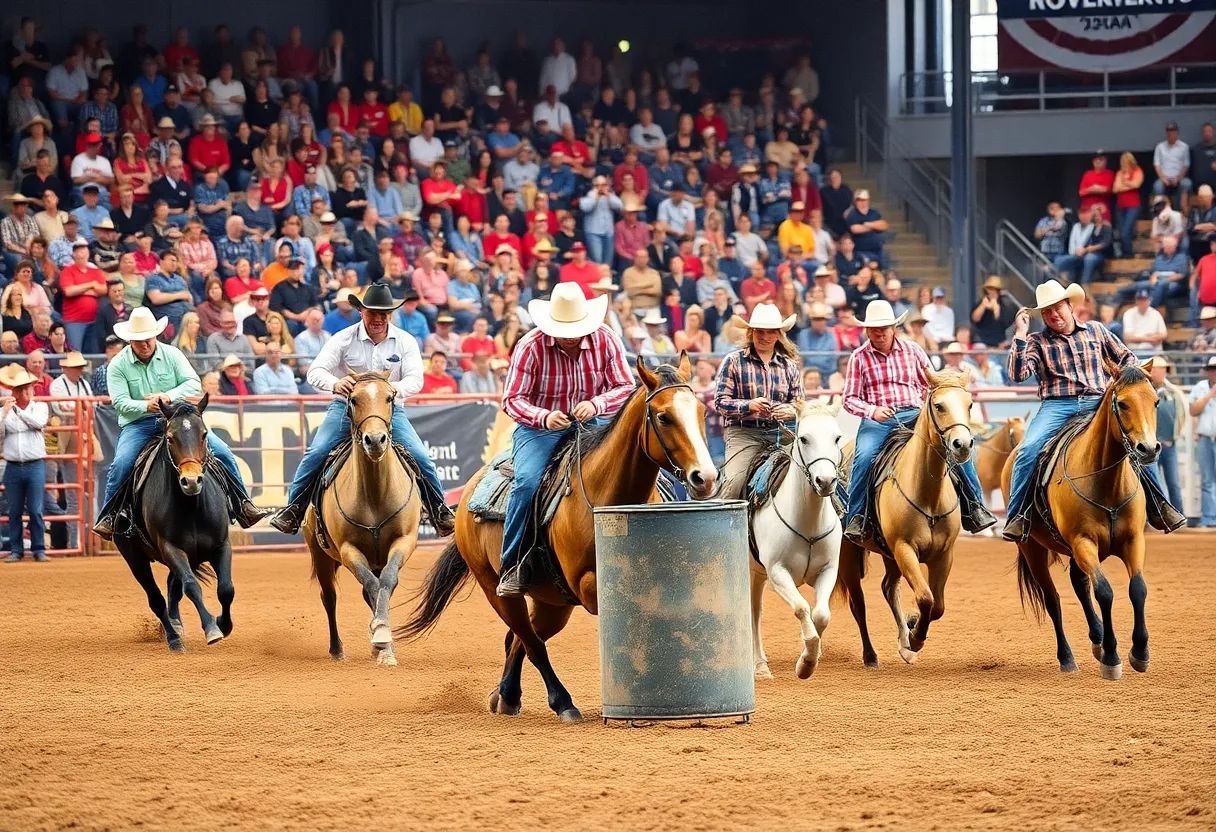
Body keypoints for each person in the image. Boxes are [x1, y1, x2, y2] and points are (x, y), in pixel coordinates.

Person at [1002, 280, 1186, 541]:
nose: (1053, 315)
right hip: (1057, 405)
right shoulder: (1036, 341)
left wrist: (1125, 379)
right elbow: (1017, 374)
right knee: (1029, 449)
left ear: (1069, 306)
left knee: (1138, 442)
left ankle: (1158, 505)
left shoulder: (1097, 331)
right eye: (1046, 312)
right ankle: (1018, 515)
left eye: (1057, 308)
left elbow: (1128, 360)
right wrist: (1019, 335)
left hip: (1098, 402)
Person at [269, 282, 456, 536]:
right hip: (346, 408)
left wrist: (389, 391)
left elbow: (416, 380)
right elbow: (315, 372)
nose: (377, 319)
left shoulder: (404, 341)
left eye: (383, 314)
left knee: (421, 456)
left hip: (389, 411)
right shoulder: (343, 339)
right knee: (317, 451)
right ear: (361, 312)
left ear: (390, 315)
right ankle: (294, 509)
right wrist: (336, 383)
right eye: (372, 313)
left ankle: (439, 510)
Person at [495, 282, 634, 596]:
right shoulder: (530, 345)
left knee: (641, 468)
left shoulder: (606, 338)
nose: (571, 334)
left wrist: (597, 404)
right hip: (539, 430)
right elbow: (512, 399)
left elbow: (625, 386)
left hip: (593, 423)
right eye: (563, 328)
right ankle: (513, 563)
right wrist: (544, 417)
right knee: (527, 482)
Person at [92, 307, 269, 540]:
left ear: (155, 335)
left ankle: (243, 504)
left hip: (177, 419)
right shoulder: (118, 365)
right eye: (138, 341)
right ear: (130, 340)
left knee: (223, 451)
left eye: (147, 339)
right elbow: (121, 403)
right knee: (122, 463)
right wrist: (147, 406)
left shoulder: (172, 354)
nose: (144, 344)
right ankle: (110, 515)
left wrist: (166, 396)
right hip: (140, 423)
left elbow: (193, 383)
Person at [839, 299, 994, 544]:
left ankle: (974, 507)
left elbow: (931, 385)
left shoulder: (913, 351)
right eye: (874, 329)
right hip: (878, 420)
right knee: (864, 457)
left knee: (957, 449)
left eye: (884, 328)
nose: (879, 333)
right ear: (866, 330)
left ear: (893, 328)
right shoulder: (859, 357)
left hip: (914, 414)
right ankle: (856, 516)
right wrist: (873, 411)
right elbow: (849, 399)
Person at [714, 303, 804, 502]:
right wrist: (749, 406)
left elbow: (799, 403)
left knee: (810, 472)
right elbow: (720, 403)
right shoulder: (734, 361)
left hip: (781, 433)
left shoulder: (788, 366)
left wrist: (788, 410)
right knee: (734, 481)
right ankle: (720, 528)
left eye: (770, 332)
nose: (764, 337)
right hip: (744, 434)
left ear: (778, 335)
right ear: (751, 333)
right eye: (759, 332)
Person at [1, 364, 49, 562]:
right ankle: (17, 550)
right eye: (23, 388)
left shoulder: (40, 407)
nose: (27, 391)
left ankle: (38, 549)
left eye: (28, 387)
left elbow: (38, 423)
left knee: (36, 510)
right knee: (14, 511)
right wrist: (4, 412)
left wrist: (16, 413)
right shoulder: (6, 412)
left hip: (34, 464)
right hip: (14, 465)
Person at [1145, 356, 1186, 513]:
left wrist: (1172, 438)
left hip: (1168, 444)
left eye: (1161, 369)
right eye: (1155, 369)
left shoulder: (1174, 392)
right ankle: (1156, 517)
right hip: (1150, 445)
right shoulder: (1145, 391)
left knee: (1173, 482)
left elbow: (1181, 417)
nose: (1158, 372)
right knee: (1153, 483)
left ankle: (1178, 515)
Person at [1189, 355, 1216, 528]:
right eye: (1212, 369)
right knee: (1207, 480)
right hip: (1206, 438)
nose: (1214, 373)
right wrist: (1210, 394)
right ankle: (1209, 518)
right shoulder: (1201, 387)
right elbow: (1193, 411)